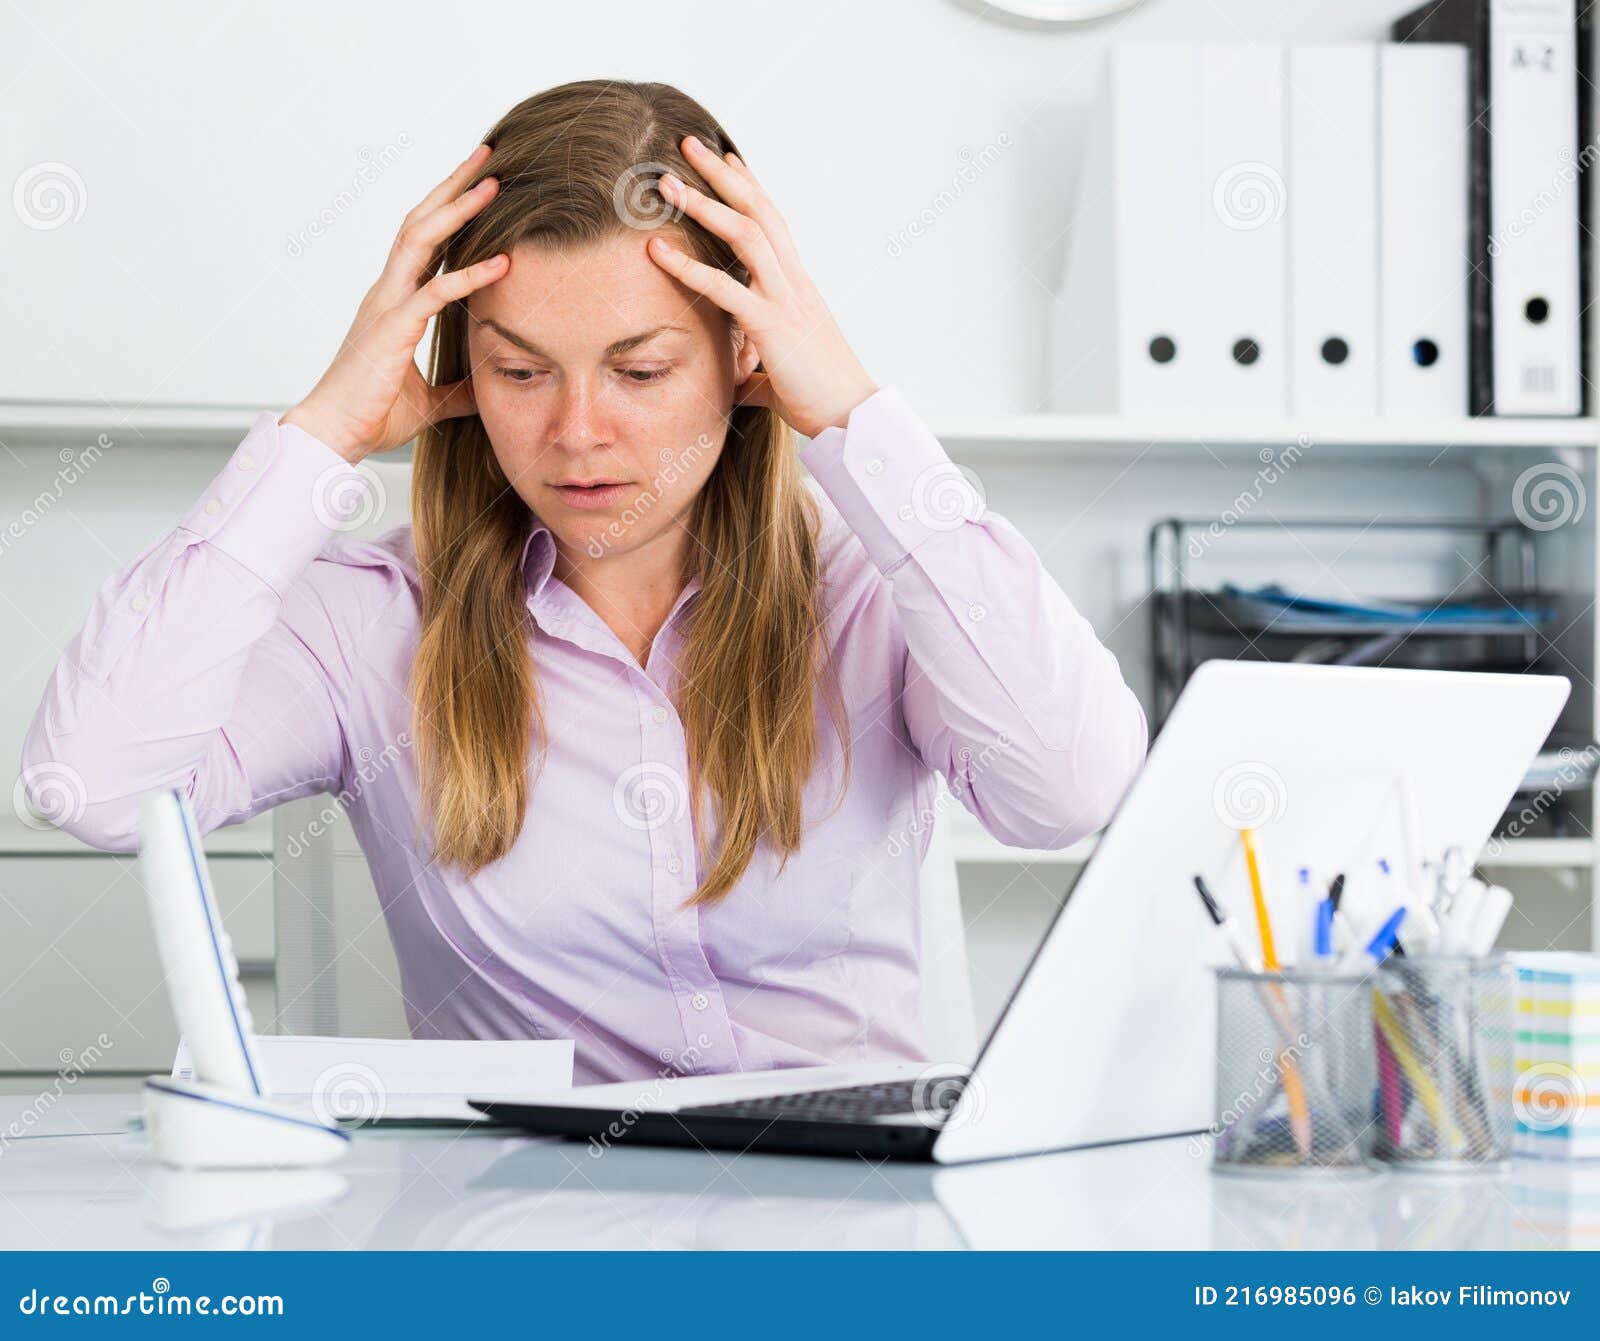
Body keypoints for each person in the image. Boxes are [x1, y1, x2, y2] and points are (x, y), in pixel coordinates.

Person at [19, 80, 1147, 1085]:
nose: (576, 433)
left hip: (844, 1240)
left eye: (640, 369)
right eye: (518, 370)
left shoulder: (871, 598)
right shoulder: (369, 621)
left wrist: (855, 417)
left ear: (748, 351)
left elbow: (1071, 791)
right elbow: (93, 787)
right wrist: (319, 435)